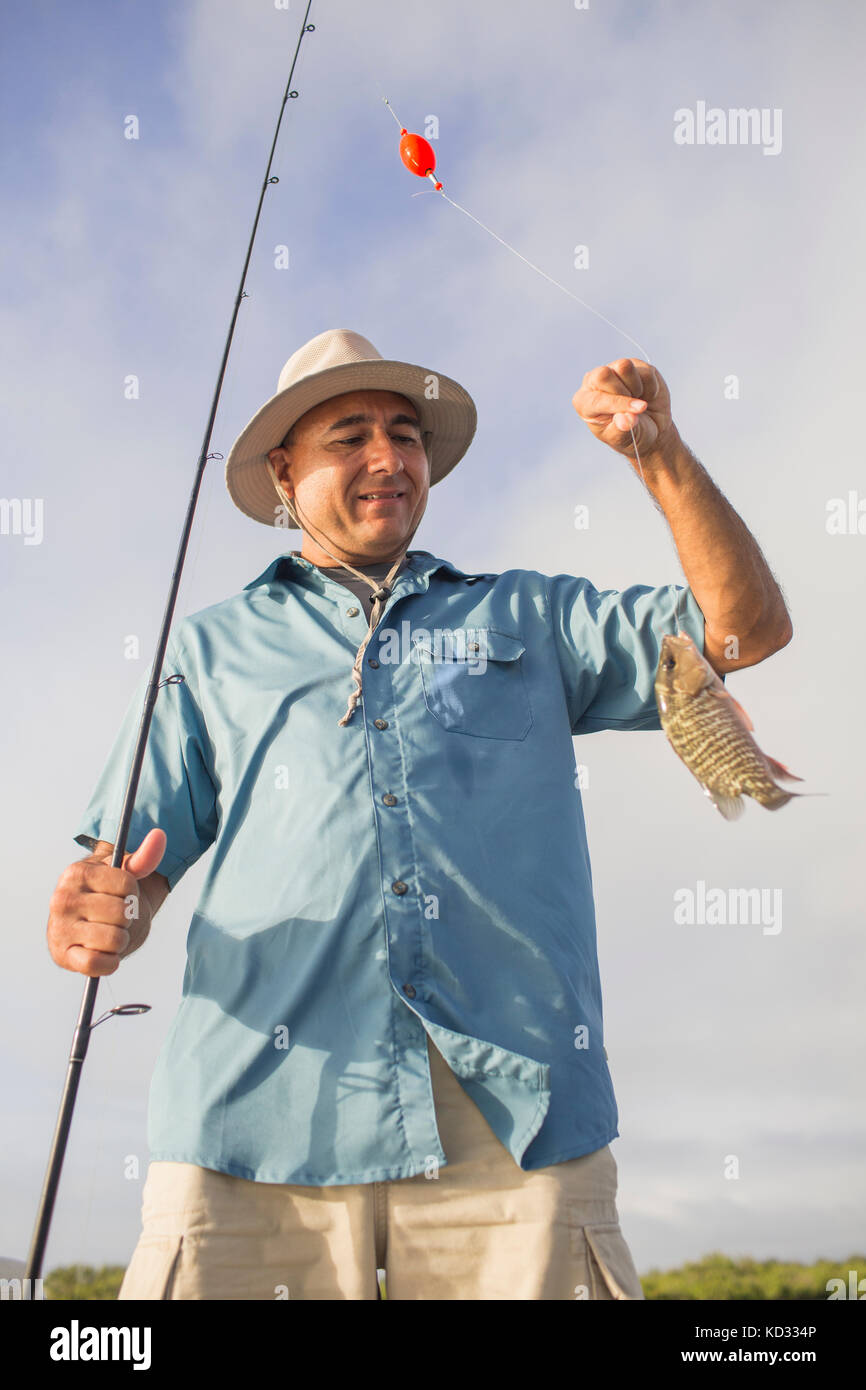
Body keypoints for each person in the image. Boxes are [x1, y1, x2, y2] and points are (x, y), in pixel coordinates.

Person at [46, 328, 792, 1300]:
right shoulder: (210, 645)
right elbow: (129, 870)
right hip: (255, 1113)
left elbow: (740, 631)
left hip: (518, 1119)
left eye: (404, 434)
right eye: (348, 435)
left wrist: (658, 451)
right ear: (283, 468)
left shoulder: (527, 615)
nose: (388, 458)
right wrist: (100, 911)